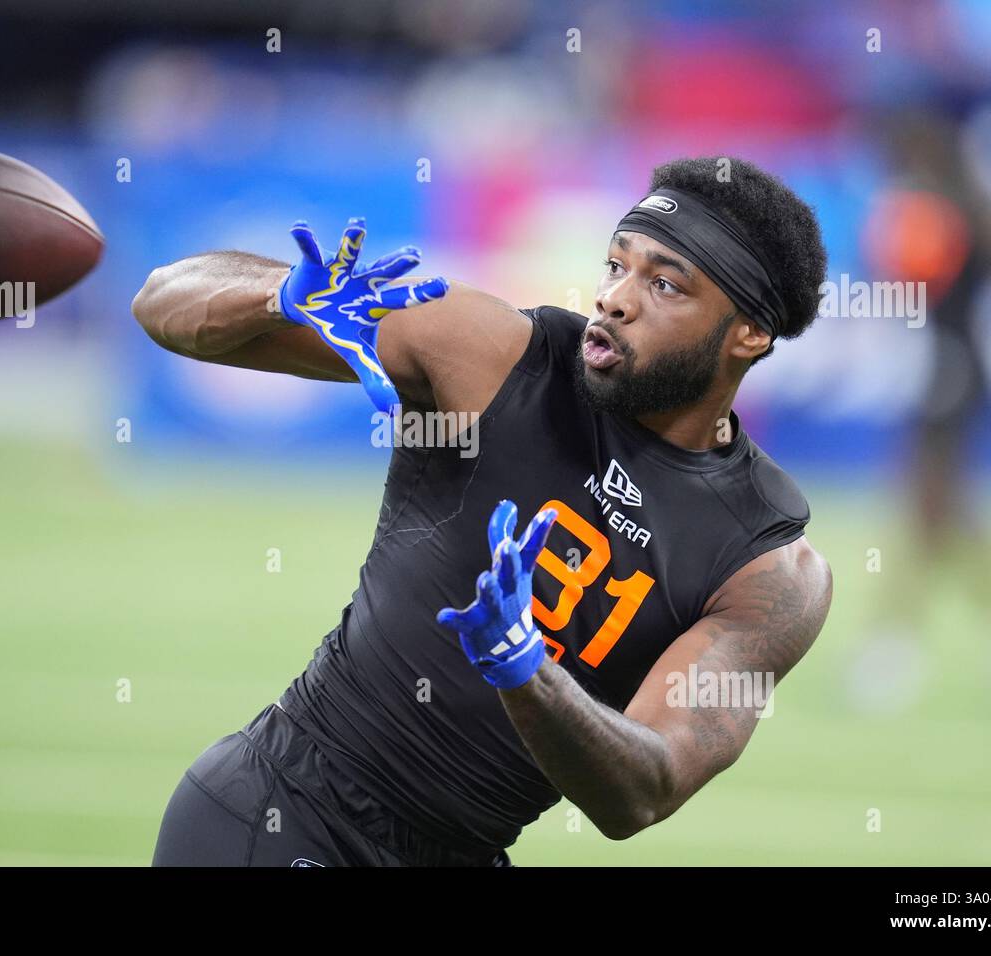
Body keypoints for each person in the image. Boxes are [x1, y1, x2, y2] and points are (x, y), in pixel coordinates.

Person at [135, 156, 834, 866]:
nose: (616, 299)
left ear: (748, 333)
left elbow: (642, 793)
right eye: (615, 265)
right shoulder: (493, 353)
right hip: (289, 810)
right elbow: (161, 304)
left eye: (663, 284)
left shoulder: (769, 568)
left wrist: (525, 668)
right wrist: (277, 296)